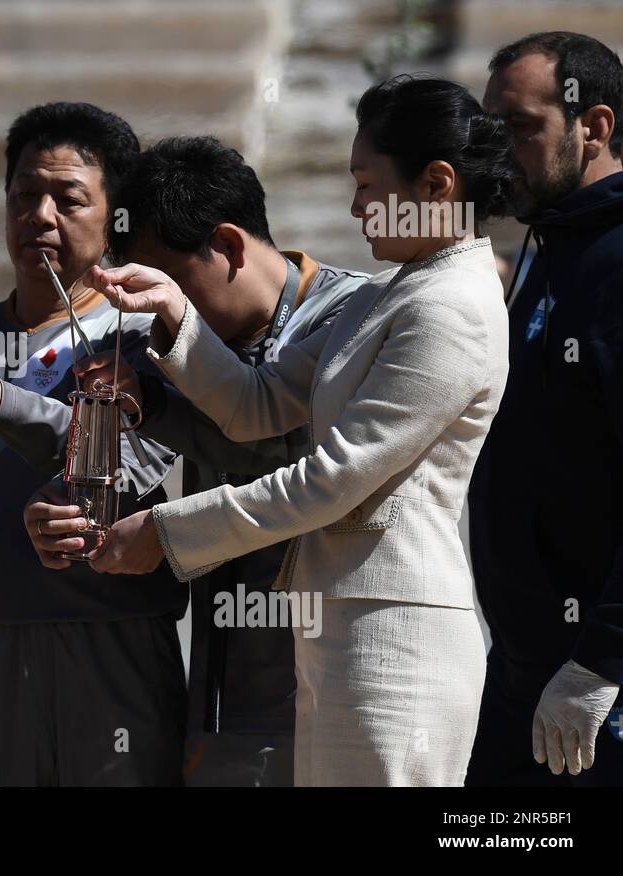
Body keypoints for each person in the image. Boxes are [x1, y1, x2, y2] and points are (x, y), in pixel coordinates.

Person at [40, 76, 515, 785]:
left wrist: (168, 534)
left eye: (366, 182)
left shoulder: (450, 306)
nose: (354, 206)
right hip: (335, 635)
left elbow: (333, 481)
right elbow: (258, 405)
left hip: (397, 641)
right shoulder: (392, 295)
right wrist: (174, 308)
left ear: (437, 184)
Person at [34, 136, 367, 786]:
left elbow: (289, 459)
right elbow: (132, 472)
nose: (167, 318)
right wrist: (56, 507)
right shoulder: (172, 345)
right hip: (224, 703)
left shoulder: (353, 319)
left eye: (175, 289)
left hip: (339, 690)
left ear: (230, 246)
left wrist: (161, 404)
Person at [0, 102, 187, 786]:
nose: (39, 217)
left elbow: (130, 470)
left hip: (115, 644)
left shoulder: (150, 337)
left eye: (68, 199)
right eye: (23, 196)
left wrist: (6, 406)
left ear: (115, 216)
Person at [467, 31, 623, 785]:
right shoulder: (550, 245)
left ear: (593, 128)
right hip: (526, 670)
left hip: (599, 691)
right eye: (488, 131)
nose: (499, 154)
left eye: (521, 128)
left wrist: (600, 662)